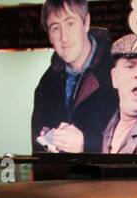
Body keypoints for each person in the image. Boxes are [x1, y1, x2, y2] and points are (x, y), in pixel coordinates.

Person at [31, 0, 115, 153]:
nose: (64, 38)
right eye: (55, 28)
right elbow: (38, 152)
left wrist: (86, 144)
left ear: (86, 23)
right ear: (49, 36)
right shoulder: (46, 85)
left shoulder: (119, 71)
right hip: (63, 177)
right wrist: (47, 143)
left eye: (70, 24)